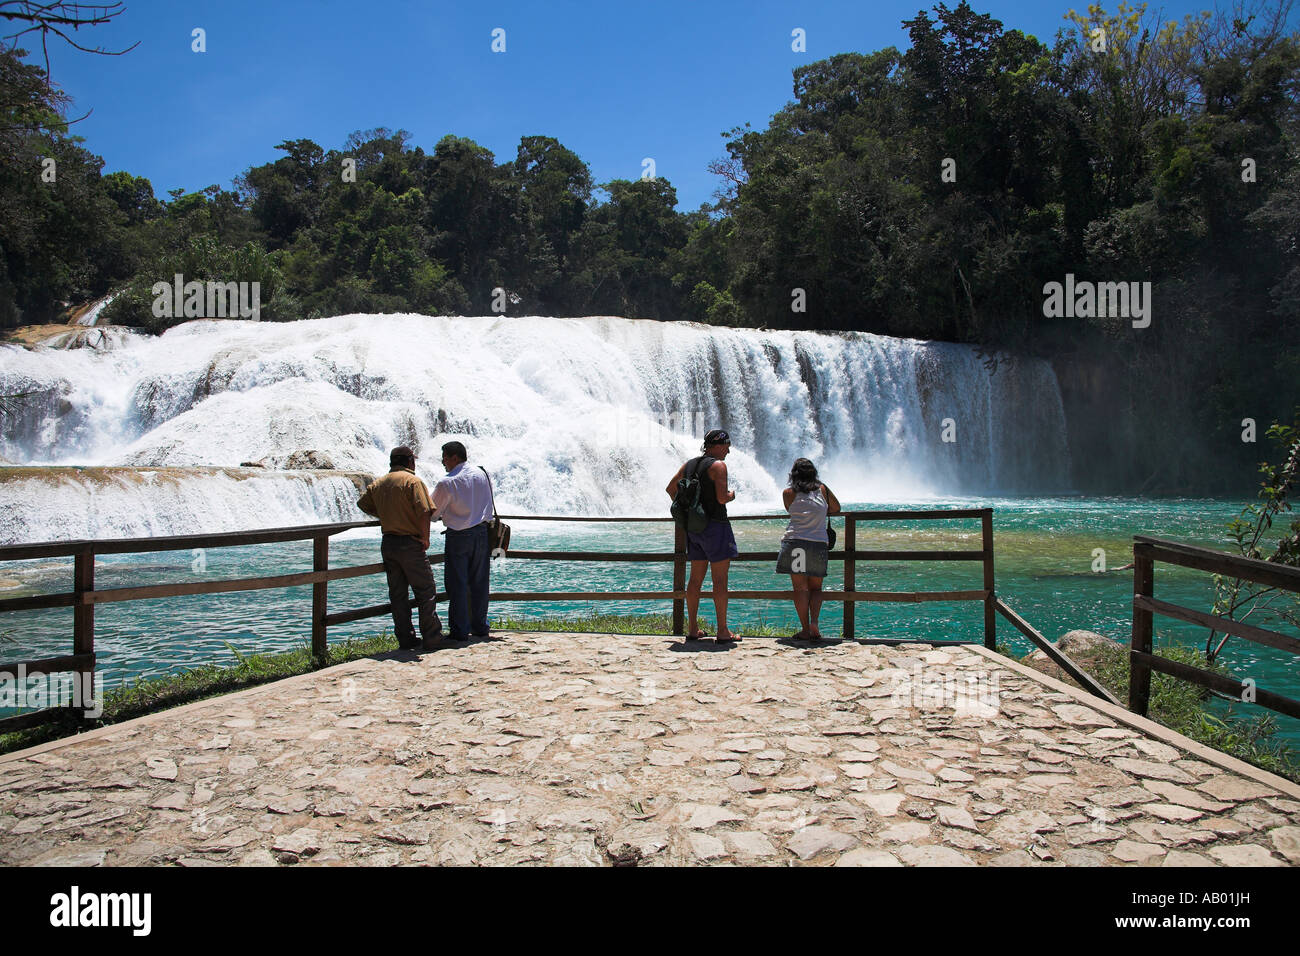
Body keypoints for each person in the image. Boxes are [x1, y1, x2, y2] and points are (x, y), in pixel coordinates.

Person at [356, 446, 443, 651]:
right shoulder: (413, 481)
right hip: (410, 543)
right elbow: (424, 511)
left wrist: (387, 514)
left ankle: (405, 638)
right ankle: (432, 637)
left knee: (398, 594)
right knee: (425, 590)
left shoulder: (378, 483)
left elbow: (363, 505)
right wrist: (425, 538)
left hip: (388, 543)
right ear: (410, 462)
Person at [665, 428, 739, 642]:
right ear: (717, 445)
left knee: (694, 580)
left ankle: (692, 628)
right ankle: (723, 631)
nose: (729, 450)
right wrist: (732, 495)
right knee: (720, 580)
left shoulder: (689, 464)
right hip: (716, 526)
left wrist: (688, 509)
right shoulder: (718, 466)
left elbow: (671, 489)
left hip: (694, 528)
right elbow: (722, 498)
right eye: (726, 445)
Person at [432, 441, 495, 641]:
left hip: (458, 536)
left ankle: (460, 630)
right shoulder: (482, 473)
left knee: (457, 583)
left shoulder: (447, 482)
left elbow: (433, 513)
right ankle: (480, 626)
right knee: (480, 581)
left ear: (454, 458)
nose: (443, 461)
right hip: (482, 533)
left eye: (445, 457)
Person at [776, 458, 840, 641]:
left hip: (795, 542)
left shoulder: (788, 493)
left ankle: (805, 629)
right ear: (814, 473)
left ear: (793, 474)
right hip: (818, 543)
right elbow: (836, 508)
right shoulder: (823, 490)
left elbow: (790, 509)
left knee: (800, 589)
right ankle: (815, 622)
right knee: (816, 589)